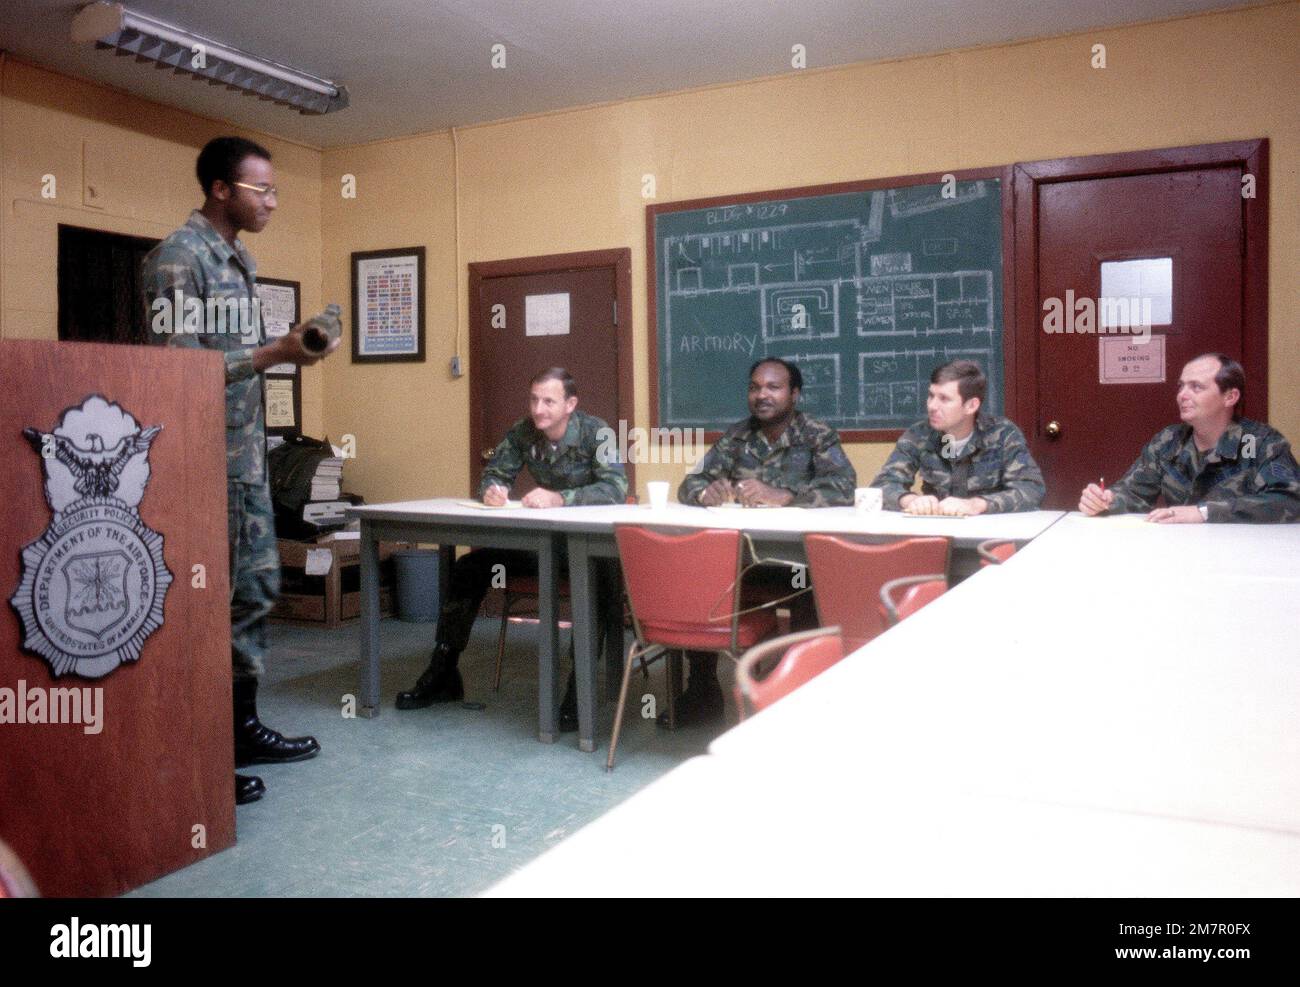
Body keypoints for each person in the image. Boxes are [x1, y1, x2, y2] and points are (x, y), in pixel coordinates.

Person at [144, 136, 338, 806]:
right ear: (222, 189)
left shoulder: (239, 260)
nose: (274, 203)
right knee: (202, 608)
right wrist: (271, 352)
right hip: (199, 461)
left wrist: (294, 349)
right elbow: (178, 366)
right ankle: (200, 752)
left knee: (255, 591)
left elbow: (232, 361)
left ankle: (241, 727)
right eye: (264, 190)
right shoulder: (180, 256)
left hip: (244, 457)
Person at [396, 368, 627, 724]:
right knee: (469, 567)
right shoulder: (523, 431)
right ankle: (443, 671)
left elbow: (614, 490)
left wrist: (560, 498)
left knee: (593, 582)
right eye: (534, 399)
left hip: (590, 550)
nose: (538, 409)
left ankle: (579, 690)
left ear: (570, 404)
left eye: (548, 401)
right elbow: (494, 473)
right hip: (543, 546)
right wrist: (492, 490)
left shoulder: (599, 433)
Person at [673, 357, 856, 724]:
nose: (762, 395)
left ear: (794, 394)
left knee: (811, 588)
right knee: (701, 577)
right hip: (744, 562)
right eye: (755, 388)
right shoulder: (737, 436)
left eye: (773, 387)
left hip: (795, 566)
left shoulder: (816, 434)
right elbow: (687, 485)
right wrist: (705, 492)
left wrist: (786, 495)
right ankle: (702, 689)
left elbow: (844, 487)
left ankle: (796, 690)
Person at [1079, 353, 1300, 523]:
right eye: (1181, 386)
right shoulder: (1168, 441)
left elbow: (1290, 502)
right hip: (1183, 553)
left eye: (1196, 387)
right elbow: (1134, 493)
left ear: (1230, 396)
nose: (1182, 395)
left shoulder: (1262, 443)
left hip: (1243, 555)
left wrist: (1204, 513)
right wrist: (1107, 500)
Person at [871, 360, 1045, 515]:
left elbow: (1031, 488)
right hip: (937, 533)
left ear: (971, 405)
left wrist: (977, 505)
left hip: (990, 534)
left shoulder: (1003, 434)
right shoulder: (919, 434)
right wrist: (910, 500)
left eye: (944, 399)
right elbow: (881, 486)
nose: (932, 406)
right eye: (931, 396)